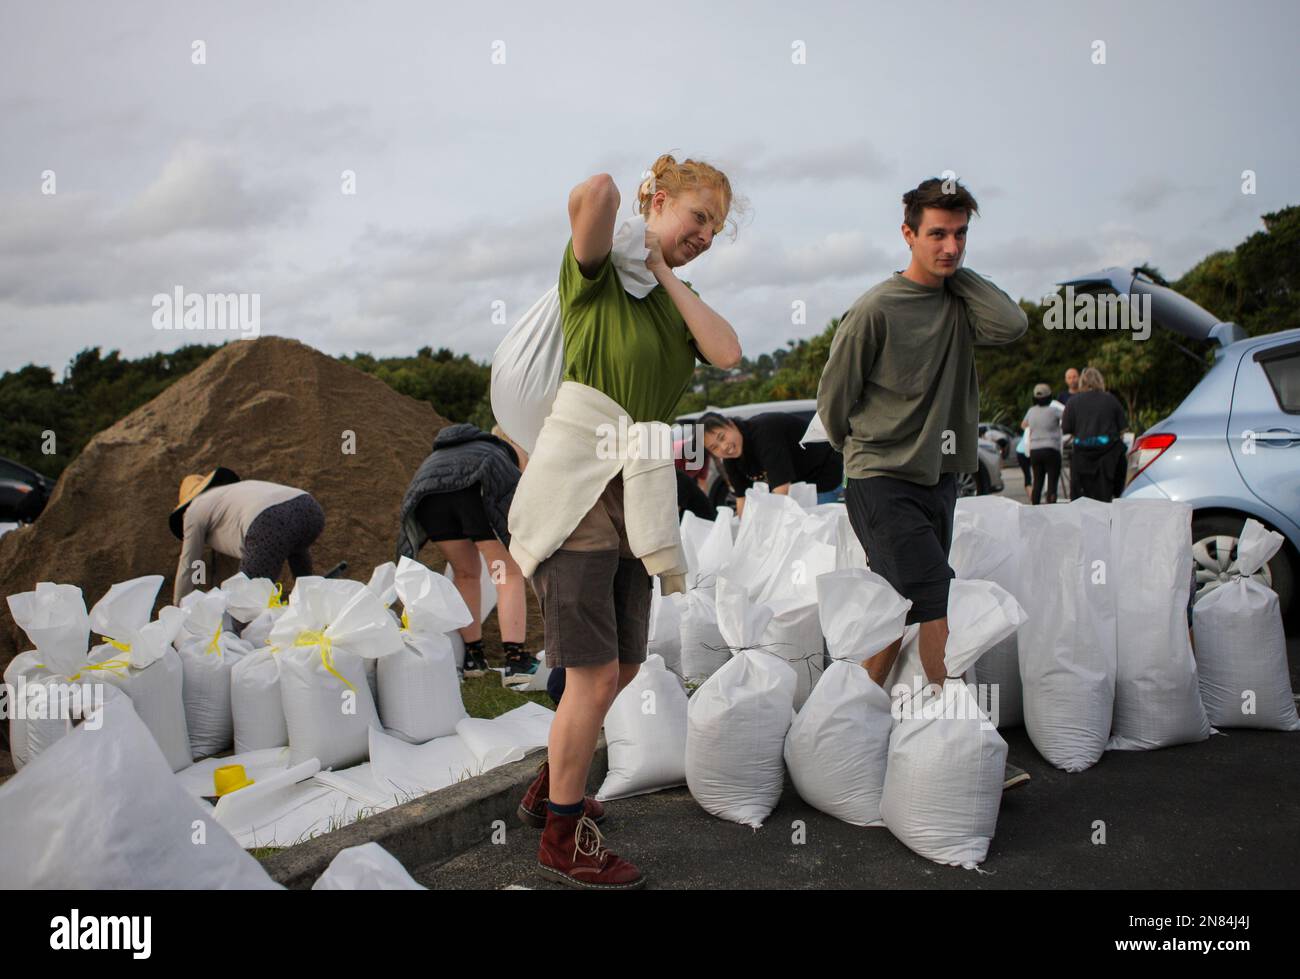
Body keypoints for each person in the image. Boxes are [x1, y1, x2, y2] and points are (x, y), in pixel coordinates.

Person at [508, 155, 741, 889]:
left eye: (716, 227)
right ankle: (560, 838)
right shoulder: (596, 276)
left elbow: (728, 353)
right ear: (660, 200)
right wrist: (634, 222)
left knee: (627, 665)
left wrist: (669, 272)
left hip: (634, 490)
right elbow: (596, 194)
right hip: (578, 483)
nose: (705, 234)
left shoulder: (673, 296)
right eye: (696, 216)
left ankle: (554, 785)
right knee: (593, 670)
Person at [816, 176, 1030, 791]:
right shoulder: (875, 310)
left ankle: (838, 723)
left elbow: (1012, 324)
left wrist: (948, 272)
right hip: (881, 479)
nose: (951, 246)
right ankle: (954, 736)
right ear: (906, 234)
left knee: (897, 608)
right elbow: (834, 403)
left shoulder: (960, 303)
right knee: (935, 591)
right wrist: (865, 451)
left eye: (960, 235)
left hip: (939, 482)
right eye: (935, 234)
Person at [395, 423, 530, 675]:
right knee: (507, 574)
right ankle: (516, 660)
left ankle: (473, 658)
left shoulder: (444, 453)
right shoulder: (498, 454)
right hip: (471, 493)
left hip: (429, 501)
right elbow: (514, 495)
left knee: (466, 574)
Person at [171, 468, 324, 605]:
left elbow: (189, 564)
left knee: (244, 604)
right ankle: (312, 598)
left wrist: (177, 610)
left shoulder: (194, 509)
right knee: (294, 545)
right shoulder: (235, 492)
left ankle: (236, 634)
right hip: (310, 509)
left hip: (268, 522)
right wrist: (305, 579)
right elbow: (288, 528)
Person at [699, 411, 844, 514]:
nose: (724, 447)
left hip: (828, 474)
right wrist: (744, 532)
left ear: (731, 424)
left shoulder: (764, 433)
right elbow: (742, 498)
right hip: (804, 488)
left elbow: (781, 489)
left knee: (819, 535)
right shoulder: (731, 460)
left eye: (722, 437)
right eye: (714, 448)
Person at [1061, 366, 1128, 502]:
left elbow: (1066, 428)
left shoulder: (1073, 402)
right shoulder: (1110, 399)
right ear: (1100, 381)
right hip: (1107, 459)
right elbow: (1123, 429)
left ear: (1081, 382)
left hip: (1082, 458)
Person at [1021, 382, 1063, 504]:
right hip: (1051, 449)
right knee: (1052, 483)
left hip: (1035, 451)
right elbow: (1067, 420)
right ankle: (1050, 508)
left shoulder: (1031, 411)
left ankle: (1035, 508)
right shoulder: (1054, 411)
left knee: (1037, 482)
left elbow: (1024, 425)